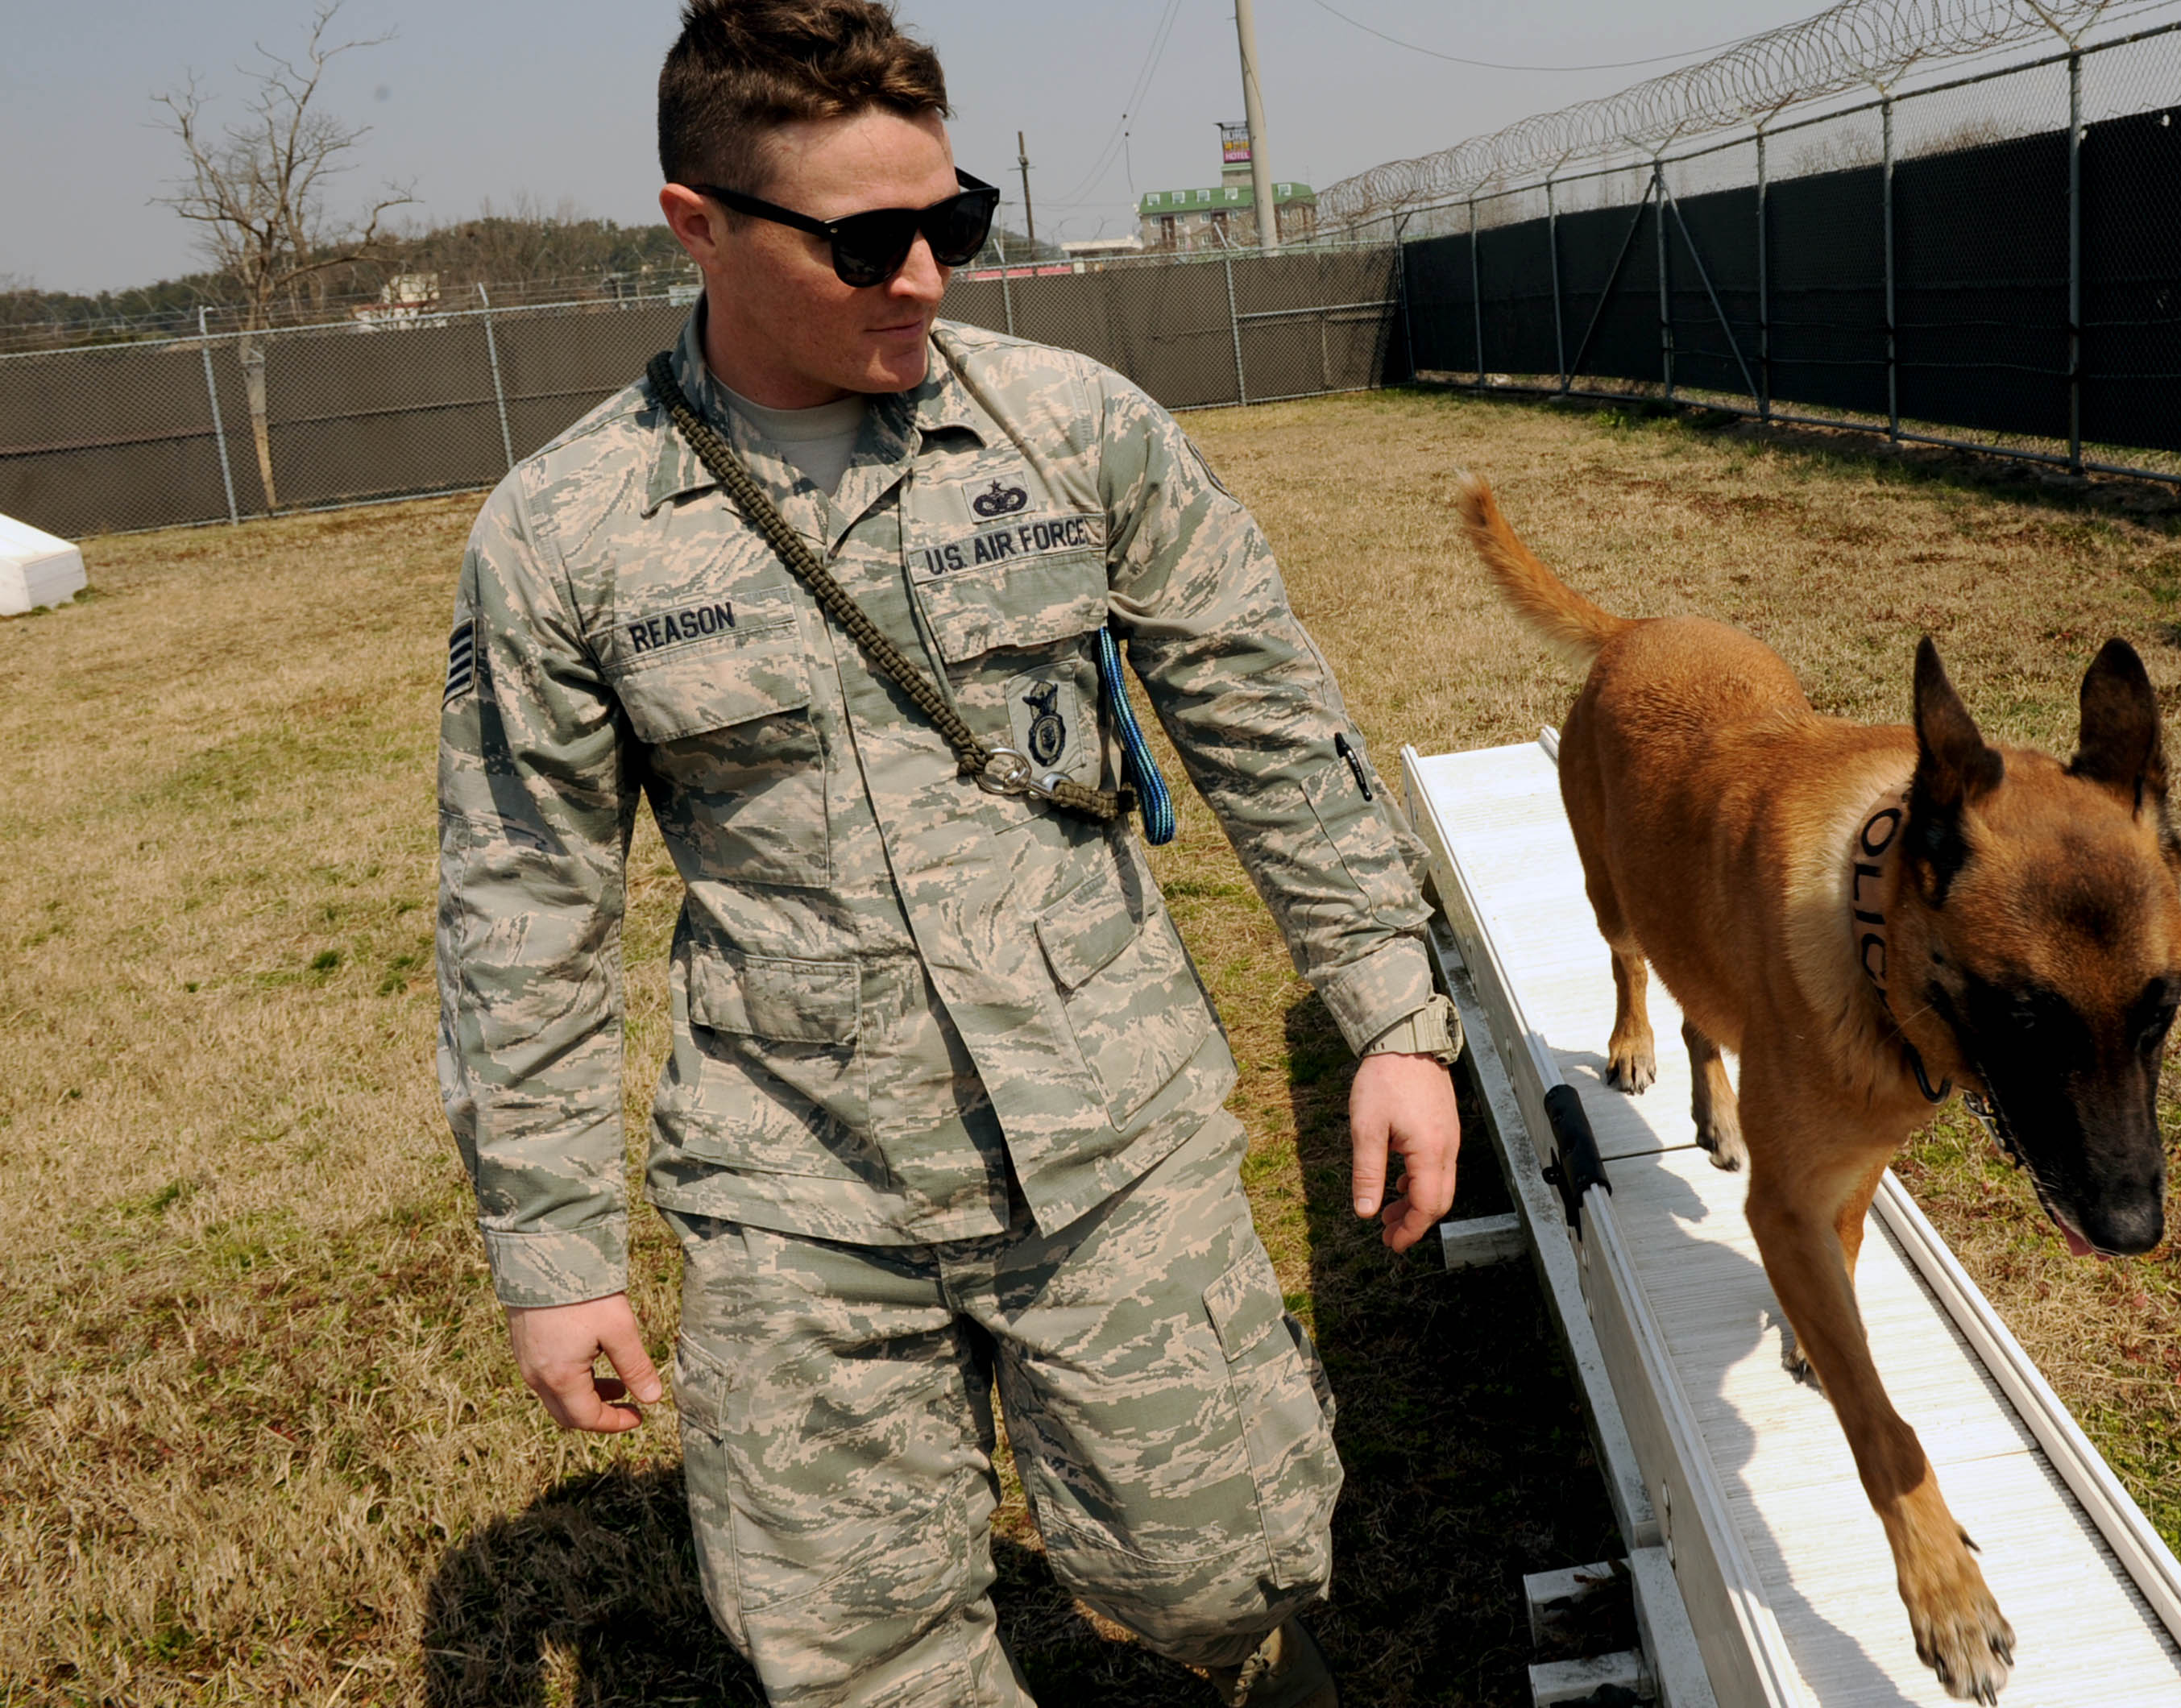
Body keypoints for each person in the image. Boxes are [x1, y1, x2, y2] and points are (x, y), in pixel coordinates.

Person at [433, 3, 1464, 1703]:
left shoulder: (1076, 431)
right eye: (862, 239)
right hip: (798, 1186)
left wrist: (1393, 1020)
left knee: (1236, 1568)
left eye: (951, 220)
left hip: (1110, 1133)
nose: (923, 275)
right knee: (856, 1660)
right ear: (698, 225)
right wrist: (554, 1256)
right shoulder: (565, 536)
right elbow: (517, 906)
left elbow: (1271, 726)